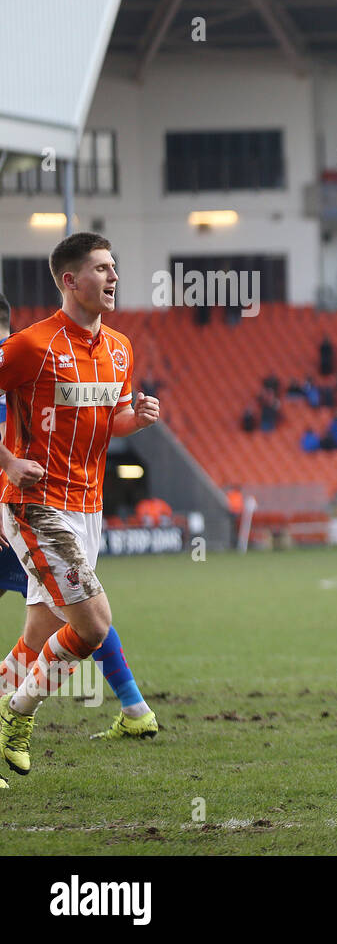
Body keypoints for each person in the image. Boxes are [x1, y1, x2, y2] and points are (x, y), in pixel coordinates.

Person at [0, 235, 163, 787]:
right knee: (93, 626)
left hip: (86, 511)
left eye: (115, 266)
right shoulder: (30, 345)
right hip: (35, 504)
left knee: (38, 637)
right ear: (69, 280)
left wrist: (135, 420)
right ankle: (15, 717)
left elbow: (112, 418)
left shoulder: (120, 348)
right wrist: (7, 460)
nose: (113, 276)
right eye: (100, 268)